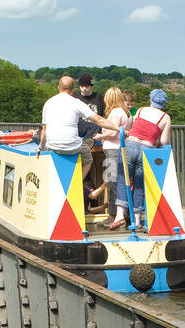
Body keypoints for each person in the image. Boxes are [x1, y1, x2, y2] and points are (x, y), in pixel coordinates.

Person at [120, 89, 172, 229]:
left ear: (150, 100)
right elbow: (164, 141)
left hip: (131, 145)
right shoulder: (165, 118)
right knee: (139, 186)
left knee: (124, 179)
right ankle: (137, 220)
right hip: (147, 150)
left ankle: (121, 215)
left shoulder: (141, 110)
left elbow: (132, 127)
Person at [38, 76, 119, 167]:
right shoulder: (76, 102)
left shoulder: (48, 103)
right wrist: (118, 129)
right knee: (88, 160)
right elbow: (99, 120)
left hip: (52, 145)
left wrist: (40, 147)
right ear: (73, 89)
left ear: (58, 88)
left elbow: (44, 129)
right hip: (72, 145)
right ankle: (80, 180)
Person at [100, 87, 130, 228]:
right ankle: (120, 214)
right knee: (120, 182)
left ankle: (114, 215)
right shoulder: (125, 112)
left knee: (113, 183)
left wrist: (101, 136)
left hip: (113, 150)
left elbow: (113, 132)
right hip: (120, 149)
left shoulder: (116, 112)